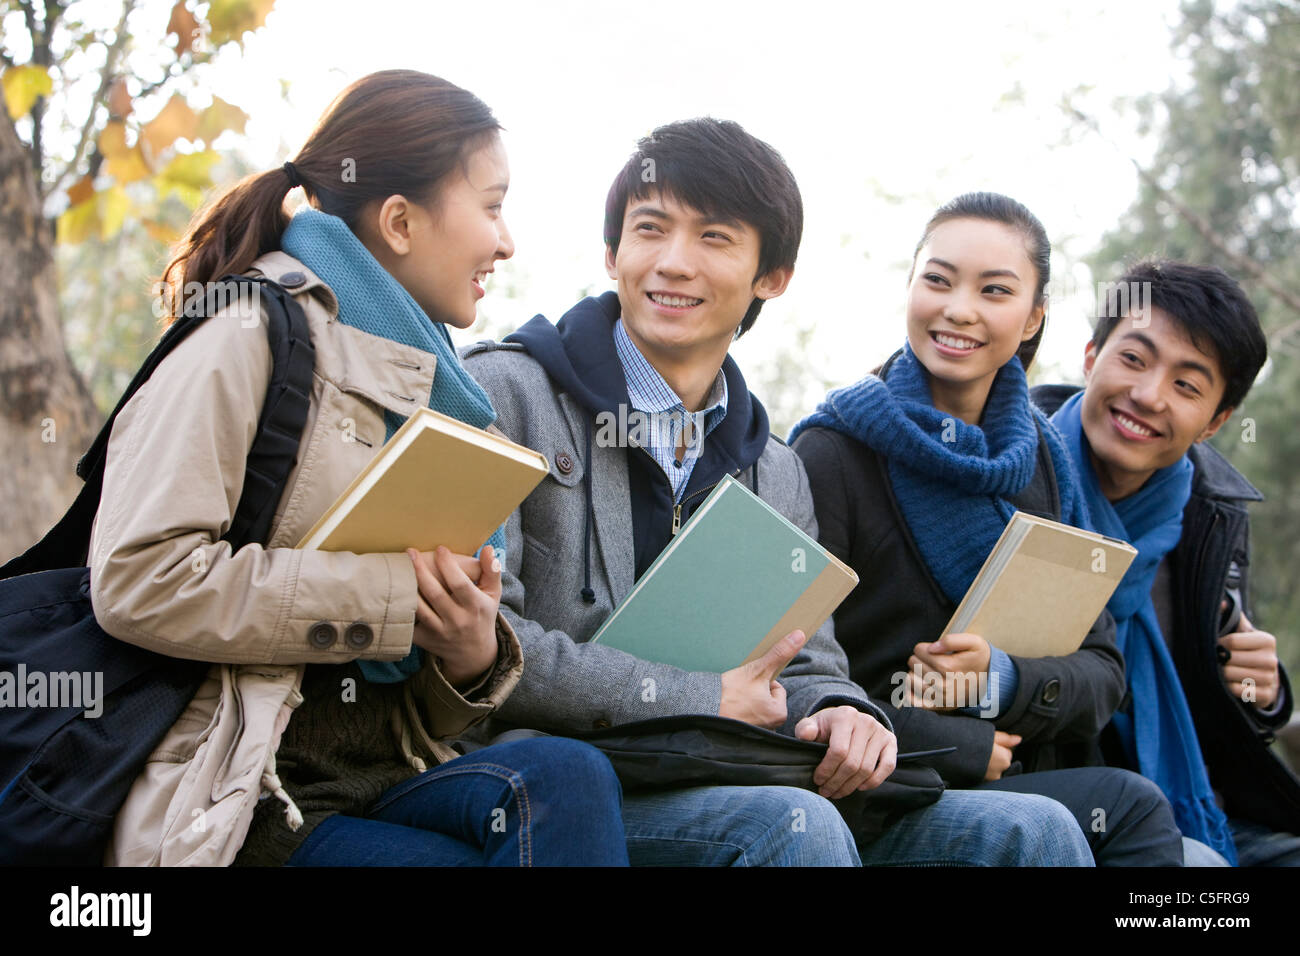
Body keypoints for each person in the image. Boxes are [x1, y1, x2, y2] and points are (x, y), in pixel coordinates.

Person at [463, 124, 1095, 866]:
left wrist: (845, 712)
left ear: (773, 277)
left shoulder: (776, 468)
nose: (673, 262)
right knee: (795, 827)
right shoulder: (506, 395)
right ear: (613, 254)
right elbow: (483, 645)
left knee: (1038, 831)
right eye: (650, 229)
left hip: (718, 772)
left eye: (715, 238)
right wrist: (699, 696)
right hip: (553, 781)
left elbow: (807, 662)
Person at [89, 70, 629, 867]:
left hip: (390, 771)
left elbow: (422, 706)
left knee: (569, 774)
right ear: (402, 222)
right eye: (491, 205)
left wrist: (468, 651)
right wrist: (386, 596)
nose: (506, 241)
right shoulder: (247, 332)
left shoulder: (444, 388)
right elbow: (138, 577)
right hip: (249, 795)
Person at [790, 192, 1186, 865]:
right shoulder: (833, 453)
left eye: (994, 291)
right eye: (937, 280)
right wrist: (961, 742)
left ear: (1033, 318)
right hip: (874, 795)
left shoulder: (1045, 459)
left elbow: (1100, 672)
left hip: (1016, 776)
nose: (959, 308)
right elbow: (786, 672)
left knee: (1136, 810)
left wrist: (999, 680)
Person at [1032, 259, 1300, 866]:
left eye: (1187, 385)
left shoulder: (1210, 516)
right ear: (1090, 355)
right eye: (1133, 358)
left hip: (1192, 802)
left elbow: (1224, 699)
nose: (1148, 396)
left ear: (1215, 422)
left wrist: (1266, 693)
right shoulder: (1012, 473)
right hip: (1055, 797)